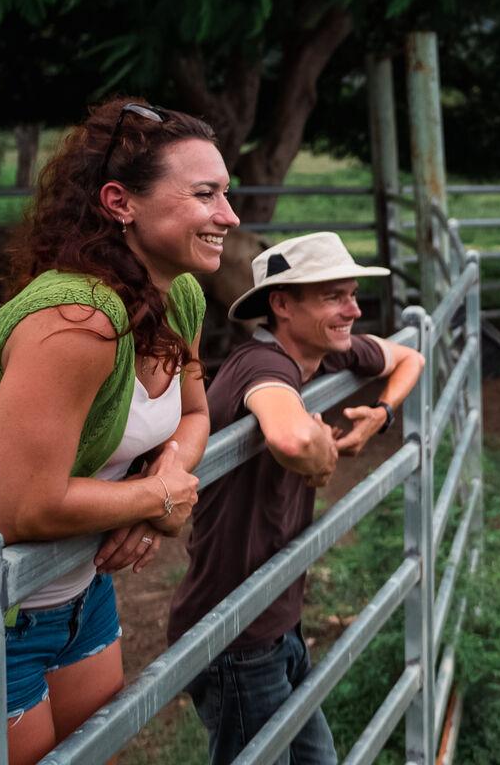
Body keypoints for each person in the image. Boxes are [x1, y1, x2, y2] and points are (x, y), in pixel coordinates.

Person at [0, 97, 235, 765]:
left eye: (225, 194)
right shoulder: (77, 321)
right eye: (205, 194)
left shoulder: (179, 295)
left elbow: (196, 414)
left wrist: (160, 481)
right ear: (121, 202)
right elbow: (19, 507)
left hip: (78, 591)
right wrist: (159, 499)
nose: (228, 216)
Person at [169, 232, 422, 765]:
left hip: (275, 619)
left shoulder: (323, 353)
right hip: (234, 631)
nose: (354, 310)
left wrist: (380, 415)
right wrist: (324, 455)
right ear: (282, 305)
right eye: (334, 297)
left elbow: (410, 358)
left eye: (353, 294)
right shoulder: (262, 364)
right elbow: (292, 439)